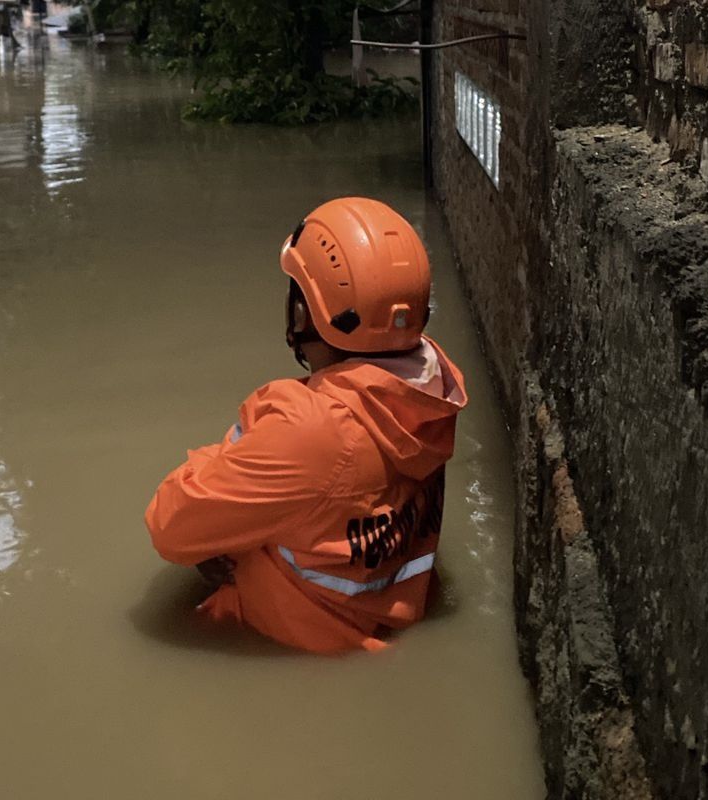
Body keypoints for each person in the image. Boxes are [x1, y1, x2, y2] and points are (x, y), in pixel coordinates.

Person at [144, 197, 467, 654]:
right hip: (388, 625)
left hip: (296, 647)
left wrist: (238, 448)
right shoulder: (428, 395)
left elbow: (169, 523)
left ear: (302, 312)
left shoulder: (307, 428)